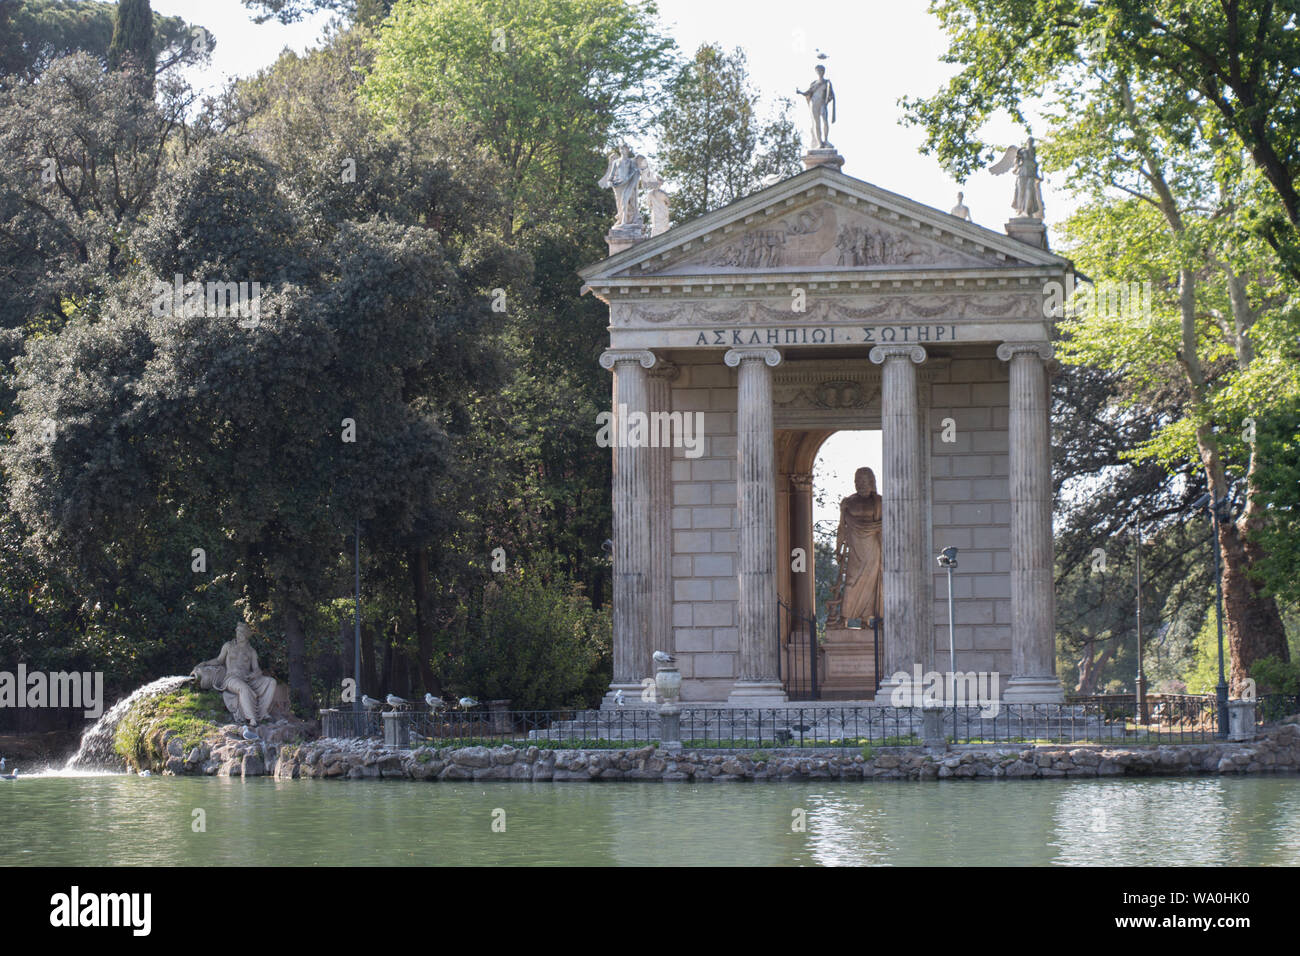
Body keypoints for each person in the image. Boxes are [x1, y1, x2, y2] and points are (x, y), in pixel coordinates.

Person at [829, 467, 884, 626]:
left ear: (871, 482)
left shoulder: (879, 502)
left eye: (863, 481)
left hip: (873, 549)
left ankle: (866, 619)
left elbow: (885, 527)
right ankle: (844, 618)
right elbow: (842, 527)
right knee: (851, 581)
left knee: (871, 583)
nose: (859, 484)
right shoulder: (848, 502)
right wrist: (838, 549)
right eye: (857, 481)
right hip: (855, 547)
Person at [193, 623, 278, 726]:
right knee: (244, 688)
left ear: (246, 635)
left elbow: (257, 669)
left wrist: (254, 675)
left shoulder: (251, 651)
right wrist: (205, 663)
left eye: (241, 632)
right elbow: (219, 660)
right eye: (237, 632)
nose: (239, 634)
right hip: (231, 678)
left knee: (271, 682)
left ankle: (263, 712)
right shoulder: (228, 646)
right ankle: (252, 718)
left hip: (247, 679)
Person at [796, 65, 836, 149]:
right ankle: (819, 142)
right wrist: (800, 92)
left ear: (823, 72)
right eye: (818, 71)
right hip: (814, 103)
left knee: (825, 120)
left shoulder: (827, 83)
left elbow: (831, 94)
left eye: (821, 71)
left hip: (822, 103)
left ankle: (826, 140)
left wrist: (828, 99)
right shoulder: (814, 83)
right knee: (816, 122)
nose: (820, 72)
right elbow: (808, 92)